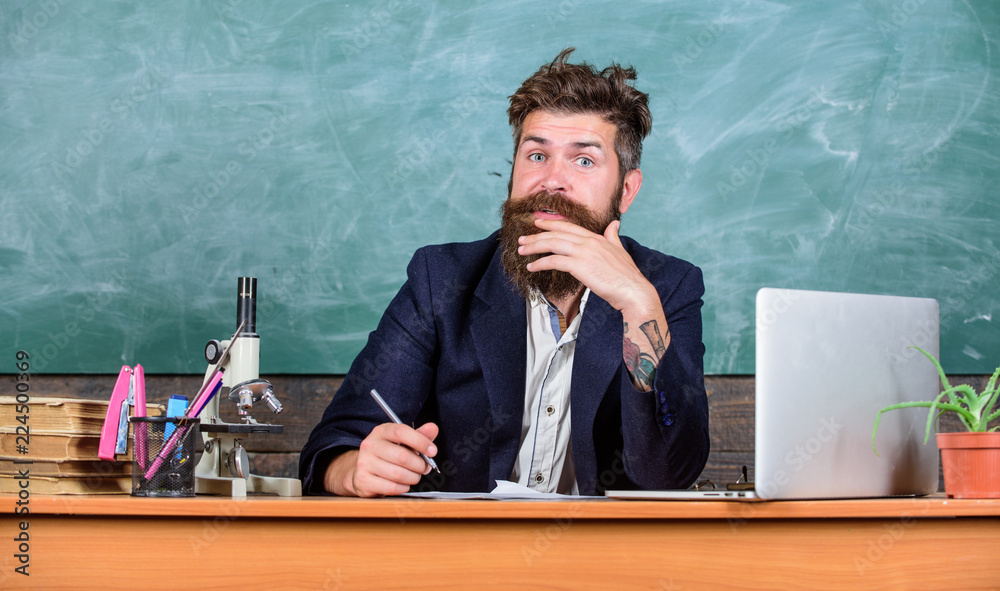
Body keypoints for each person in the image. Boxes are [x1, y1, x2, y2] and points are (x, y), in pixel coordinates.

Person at [300, 48, 709, 497]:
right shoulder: (442, 279)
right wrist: (356, 468)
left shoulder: (666, 289)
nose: (552, 180)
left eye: (584, 160)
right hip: (464, 555)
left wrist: (637, 302)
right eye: (536, 155)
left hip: (603, 558)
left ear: (626, 191)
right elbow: (334, 445)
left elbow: (670, 474)